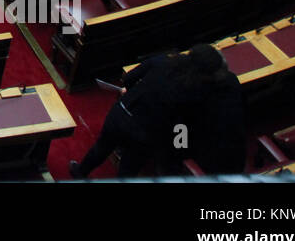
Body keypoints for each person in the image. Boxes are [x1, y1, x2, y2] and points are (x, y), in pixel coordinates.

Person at [69, 50, 192, 178]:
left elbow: (129, 78)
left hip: (122, 113)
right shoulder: (192, 88)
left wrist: (132, 90)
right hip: (146, 133)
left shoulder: (162, 61)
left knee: (102, 147)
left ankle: (80, 171)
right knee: (129, 169)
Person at [181, 44, 245, 174]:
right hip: (236, 152)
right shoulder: (232, 80)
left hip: (207, 159)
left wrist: (180, 153)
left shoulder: (188, 95)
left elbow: (180, 128)